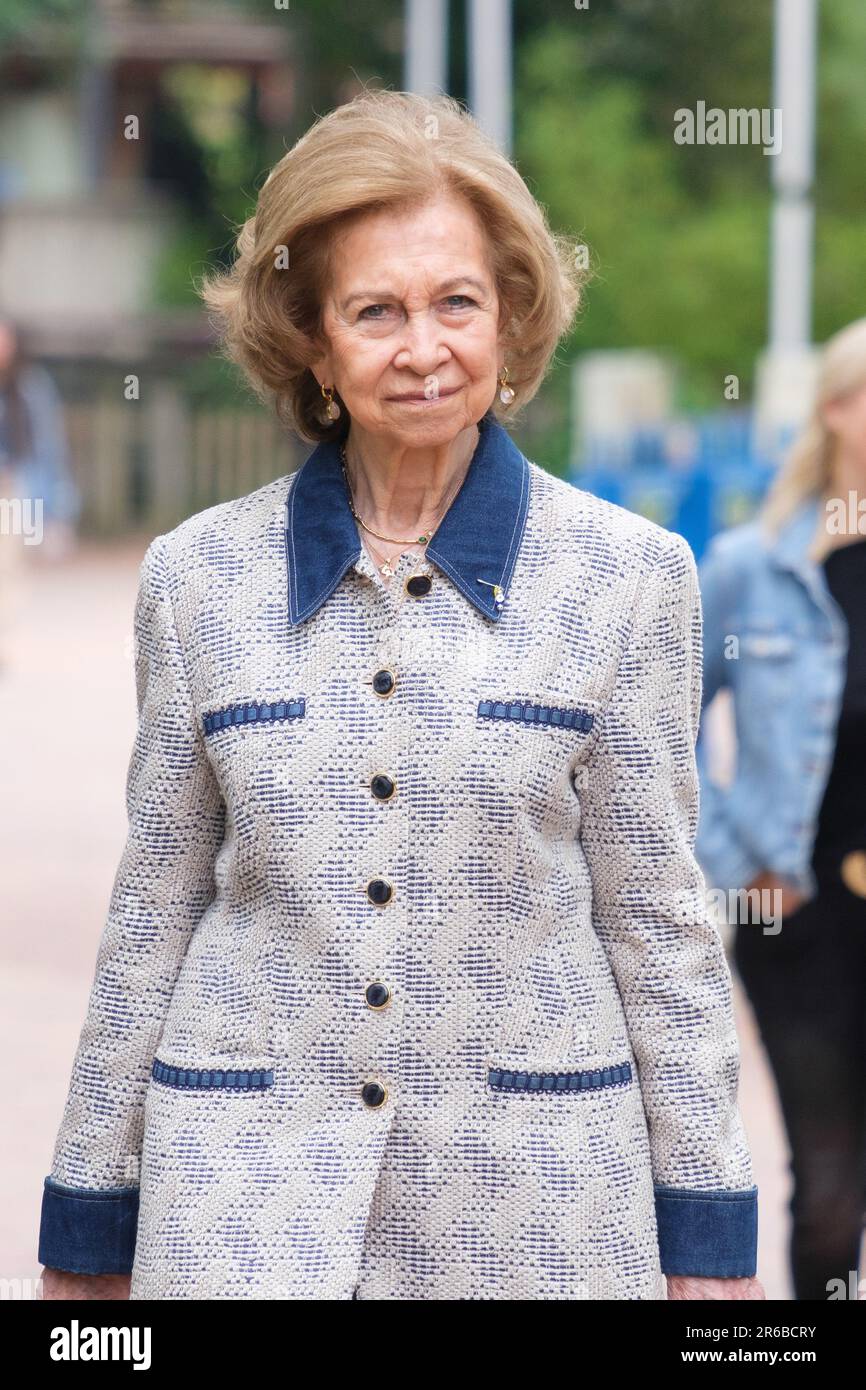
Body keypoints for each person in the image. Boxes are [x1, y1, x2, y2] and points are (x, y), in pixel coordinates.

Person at [37, 89, 763, 1302]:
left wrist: (708, 1241)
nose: (421, 348)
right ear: (313, 341)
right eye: (374, 311)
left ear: (511, 316)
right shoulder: (195, 580)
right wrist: (89, 1222)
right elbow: (152, 913)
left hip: (534, 1208)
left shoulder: (630, 578)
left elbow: (657, 924)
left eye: (455, 303)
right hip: (241, 1204)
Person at [695, 316, 866, 1300]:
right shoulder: (748, 571)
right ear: (835, 410)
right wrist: (733, 865)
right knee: (832, 1188)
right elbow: (651, 729)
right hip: (794, 917)